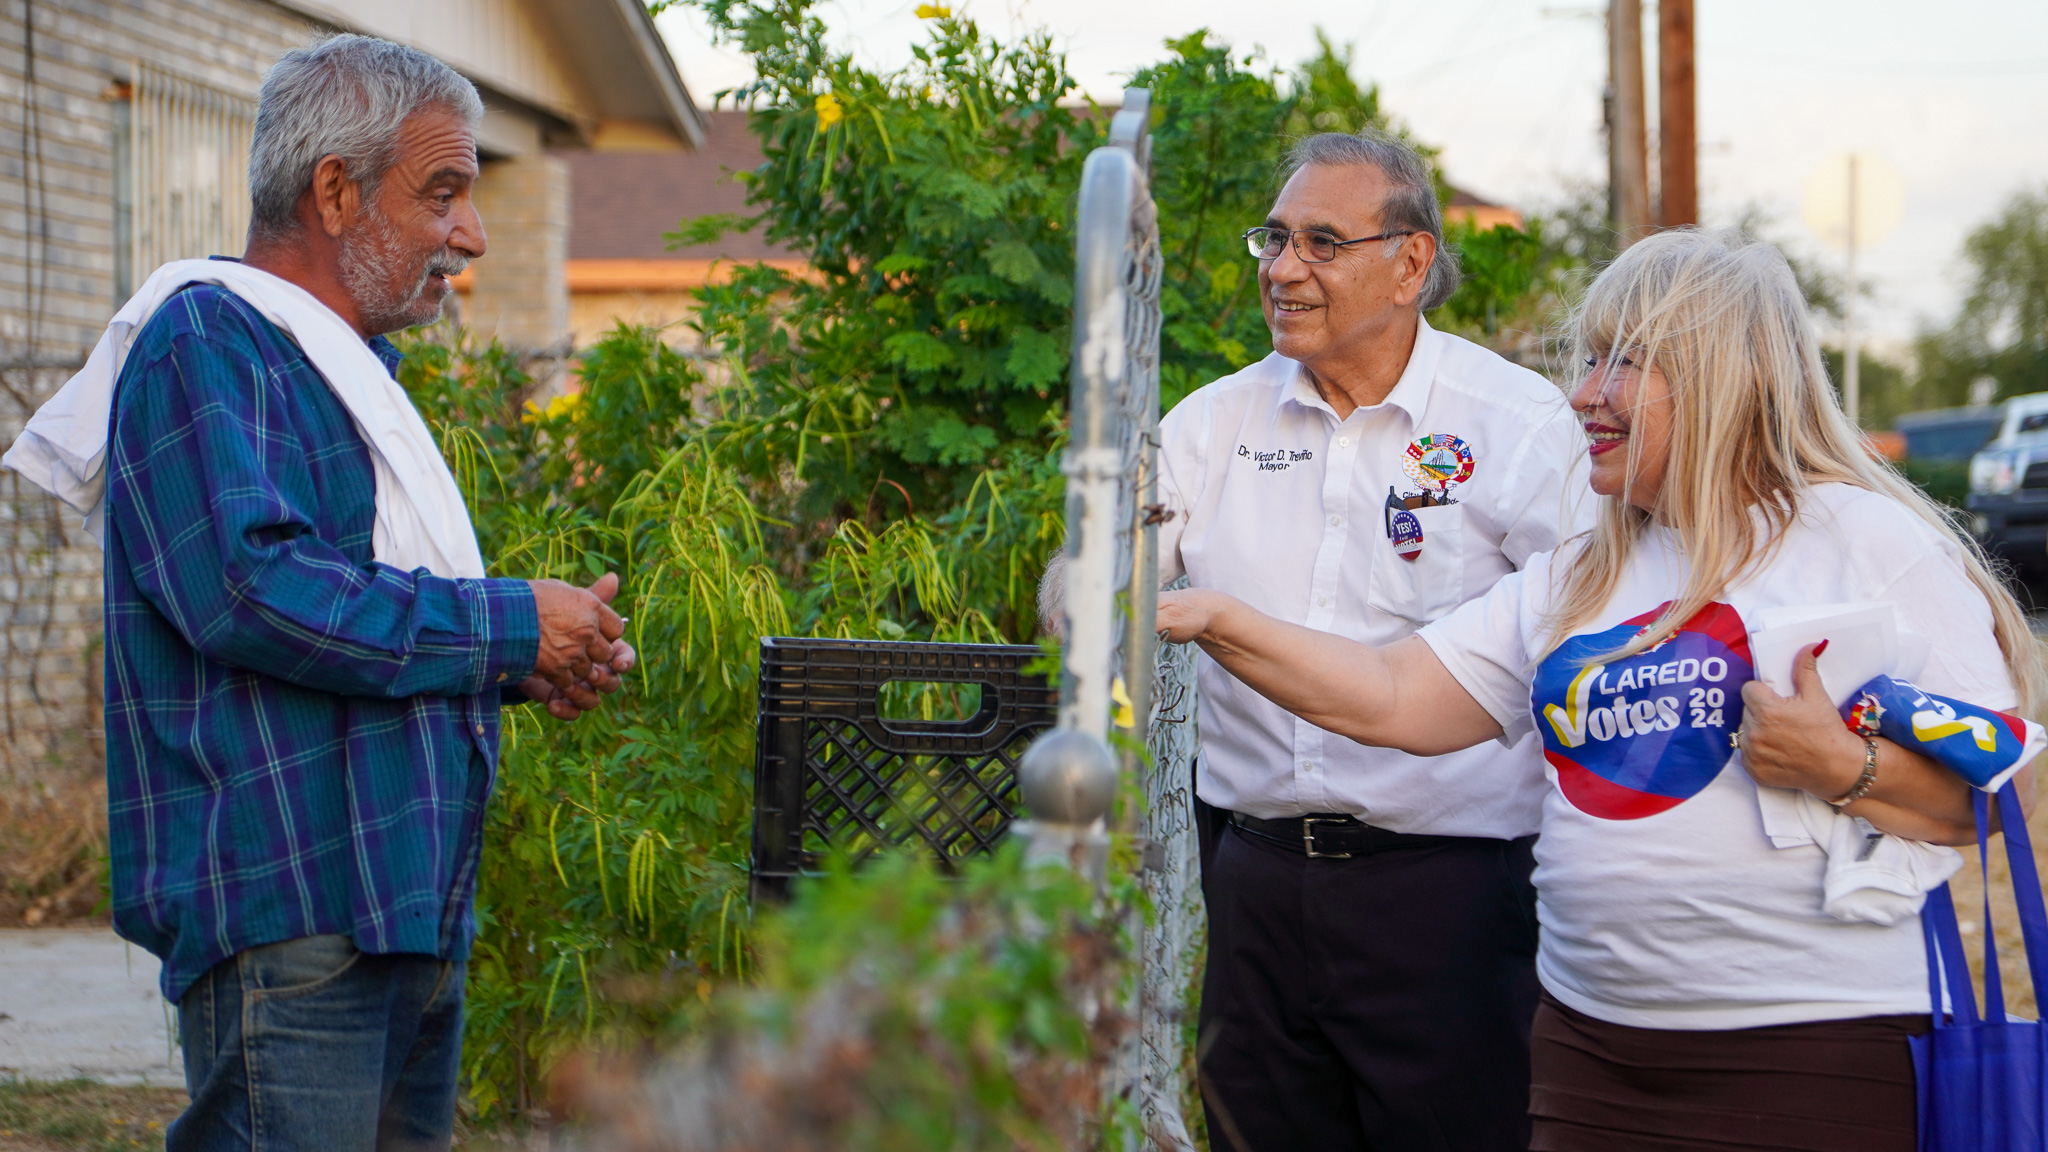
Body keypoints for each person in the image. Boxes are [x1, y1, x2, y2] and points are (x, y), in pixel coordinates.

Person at [1157, 227, 2043, 1151]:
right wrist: (1216, 618)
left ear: (1721, 376)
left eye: (1623, 363)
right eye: (1587, 360)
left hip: (1812, 1045)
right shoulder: (1584, 572)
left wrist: (1842, 766)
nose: (1584, 394)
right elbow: (1389, 694)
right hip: (1590, 1051)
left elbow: (2007, 792)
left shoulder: (1863, 543)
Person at [3, 34, 632, 1152]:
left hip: (400, 914)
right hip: (295, 920)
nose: (472, 234)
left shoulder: (342, 369)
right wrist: (506, 624)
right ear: (334, 192)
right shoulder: (209, 339)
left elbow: (359, 609)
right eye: (441, 192)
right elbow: (251, 588)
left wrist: (526, 658)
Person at [1142, 130, 1590, 1151]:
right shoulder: (1208, 425)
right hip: (1255, 885)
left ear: (1410, 262)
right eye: (1274, 239)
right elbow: (1102, 570)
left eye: (1321, 243)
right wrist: (1079, 589)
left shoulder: (1518, 426)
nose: (1282, 268)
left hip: (1451, 897)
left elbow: (1590, 631)